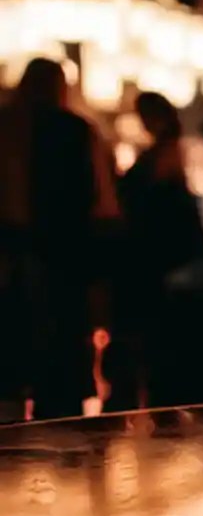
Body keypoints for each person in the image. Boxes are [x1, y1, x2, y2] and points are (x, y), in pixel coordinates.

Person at [0, 58, 118, 418]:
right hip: (66, 253)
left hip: (10, 251)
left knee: (12, 353)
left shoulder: (7, 127)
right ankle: (64, 446)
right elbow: (102, 201)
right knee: (62, 354)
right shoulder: (76, 130)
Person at [112, 91, 203, 407]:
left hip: (152, 259)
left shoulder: (162, 158)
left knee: (151, 336)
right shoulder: (166, 157)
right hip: (157, 259)